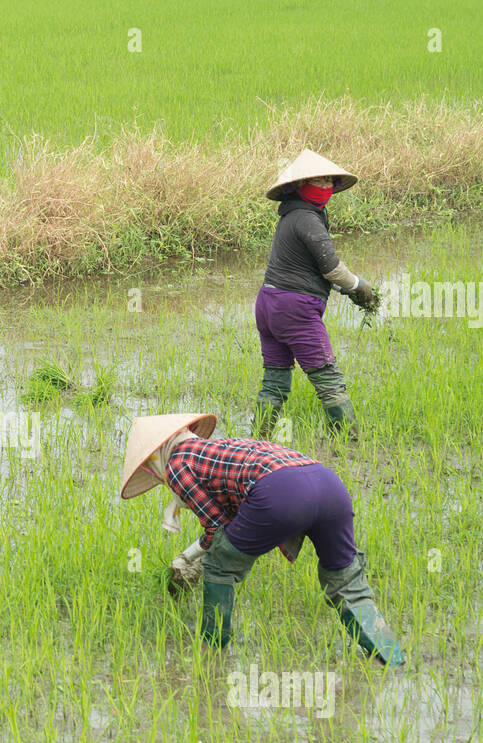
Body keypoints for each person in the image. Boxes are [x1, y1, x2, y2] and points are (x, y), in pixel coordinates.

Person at [119, 413, 404, 666]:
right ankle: (390, 655)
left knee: (220, 565)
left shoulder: (177, 465)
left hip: (282, 494)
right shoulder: (223, 446)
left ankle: (211, 651)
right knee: (347, 581)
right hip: (330, 485)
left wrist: (189, 560)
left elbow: (216, 528)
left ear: (154, 458)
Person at [252, 150, 378, 438]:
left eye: (328, 181)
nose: (324, 186)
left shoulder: (290, 216)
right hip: (295, 309)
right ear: (299, 185)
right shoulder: (307, 219)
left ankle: (258, 438)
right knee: (327, 378)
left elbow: (312, 270)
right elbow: (332, 268)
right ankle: (348, 439)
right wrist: (361, 288)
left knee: (274, 379)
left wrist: (346, 288)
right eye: (317, 181)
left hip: (268, 303)